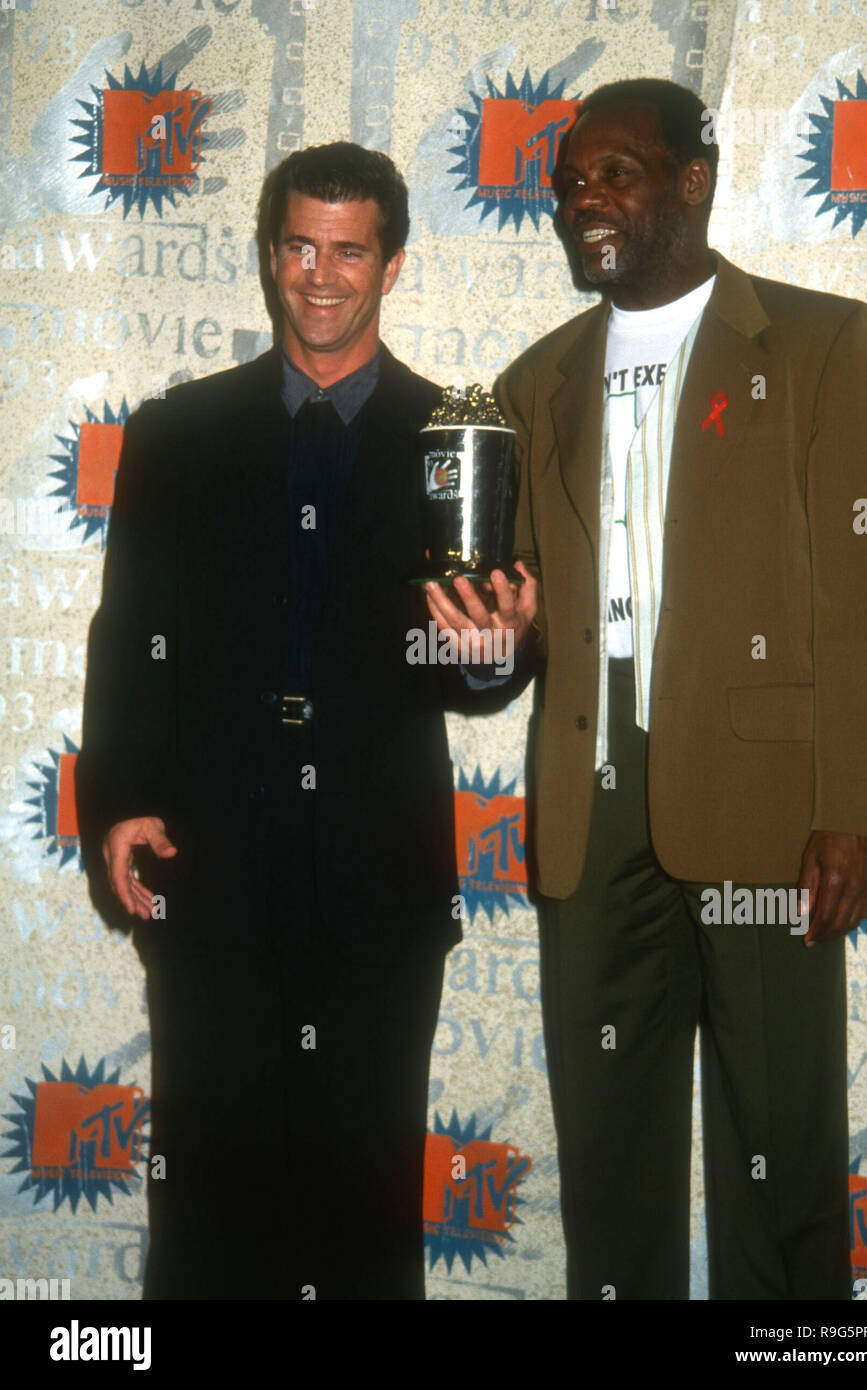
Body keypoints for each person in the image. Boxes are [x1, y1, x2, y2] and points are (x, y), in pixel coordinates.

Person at [425, 78, 867, 1300]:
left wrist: (855, 805)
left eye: (615, 172)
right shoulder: (537, 378)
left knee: (777, 1142)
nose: (583, 199)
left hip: (763, 796)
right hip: (593, 807)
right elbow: (521, 629)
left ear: (691, 180)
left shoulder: (819, 341)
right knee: (609, 1150)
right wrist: (494, 645)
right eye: (568, 182)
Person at [76, 142, 502, 1300]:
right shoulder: (176, 433)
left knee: (363, 1200)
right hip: (211, 870)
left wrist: (490, 655)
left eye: (348, 250)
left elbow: (483, 664)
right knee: (207, 1196)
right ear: (270, 256)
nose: (320, 275)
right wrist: (114, 798)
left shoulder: (459, 441)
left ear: (393, 263)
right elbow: (130, 636)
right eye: (300, 246)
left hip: (378, 882)